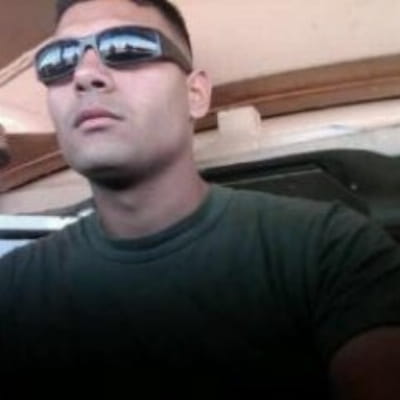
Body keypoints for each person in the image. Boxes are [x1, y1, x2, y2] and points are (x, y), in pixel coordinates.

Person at [1, 0, 400, 397]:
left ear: (195, 94)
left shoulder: (330, 248)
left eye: (127, 47)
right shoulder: (13, 288)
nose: (84, 74)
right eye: (59, 60)